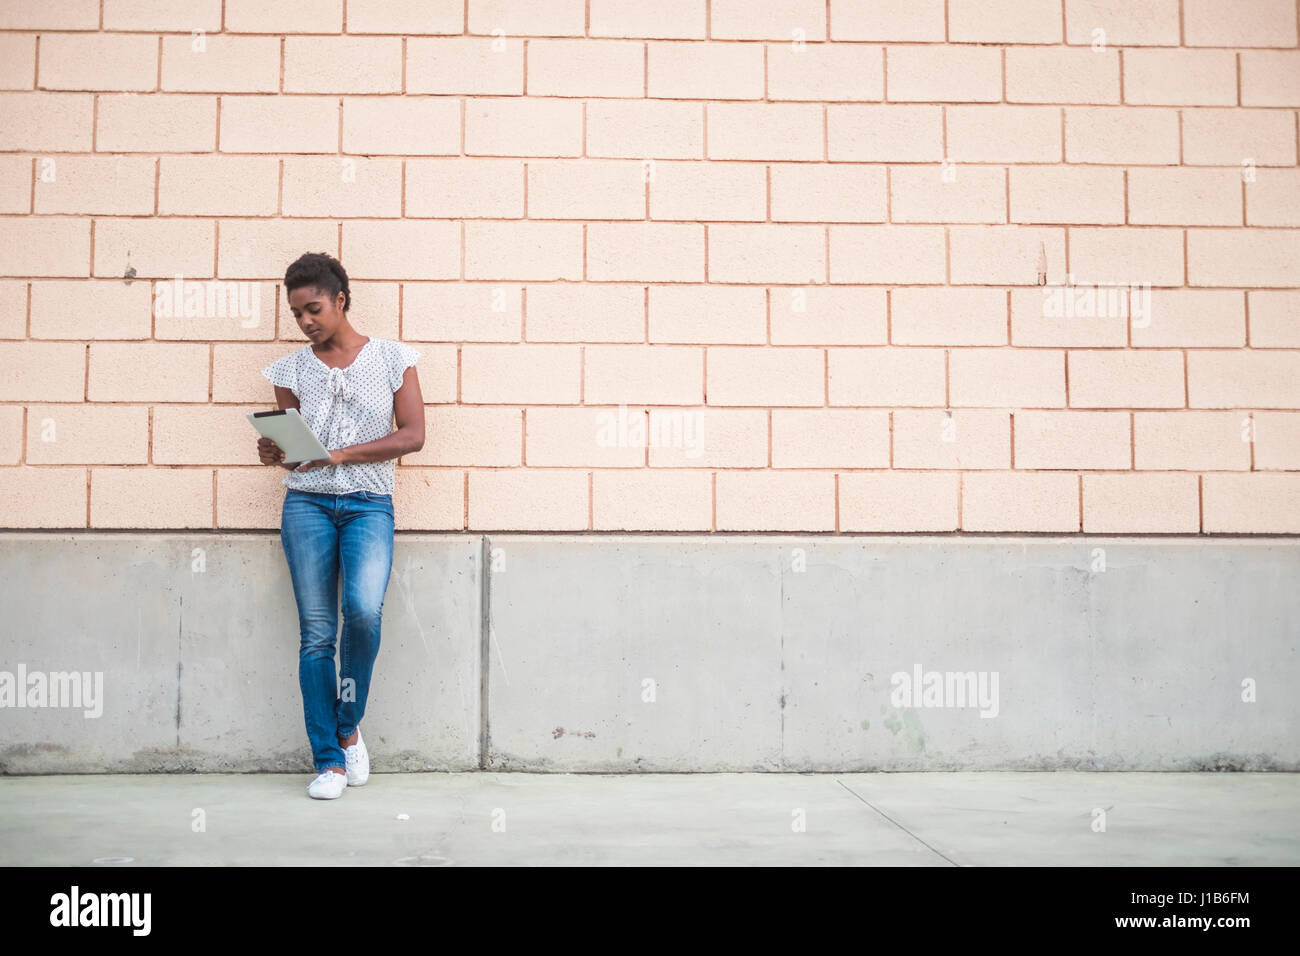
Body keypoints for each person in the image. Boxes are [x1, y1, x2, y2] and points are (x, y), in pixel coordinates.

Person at [256, 252, 424, 799]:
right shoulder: (290, 370)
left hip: (369, 504)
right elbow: (294, 456)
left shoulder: (393, 358)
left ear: (341, 300)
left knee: (363, 612)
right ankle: (327, 760)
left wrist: (342, 455)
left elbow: (413, 435)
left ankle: (348, 723)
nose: (306, 321)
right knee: (316, 636)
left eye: (314, 308)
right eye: (297, 313)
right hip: (306, 506)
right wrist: (274, 452)